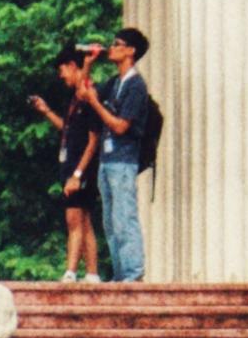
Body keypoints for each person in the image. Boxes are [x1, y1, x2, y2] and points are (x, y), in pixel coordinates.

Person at [75, 29, 157, 285]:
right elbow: (82, 93)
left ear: (130, 51)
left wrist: (97, 104)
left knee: (124, 216)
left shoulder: (136, 85)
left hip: (123, 159)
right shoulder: (114, 82)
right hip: (107, 160)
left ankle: (133, 272)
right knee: (110, 221)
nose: (112, 48)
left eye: (117, 44)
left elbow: (121, 126)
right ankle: (121, 273)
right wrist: (87, 65)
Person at [30, 48, 102, 279]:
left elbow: (93, 140)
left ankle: (70, 271)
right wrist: (46, 111)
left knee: (73, 220)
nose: (61, 76)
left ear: (72, 66)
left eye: (63, 70)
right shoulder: (74, 99)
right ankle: (92, 273)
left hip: (80, 168)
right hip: (71, 164)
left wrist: (78, 174)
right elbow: (69, 131)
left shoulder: (88, 94)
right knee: (84, 220)